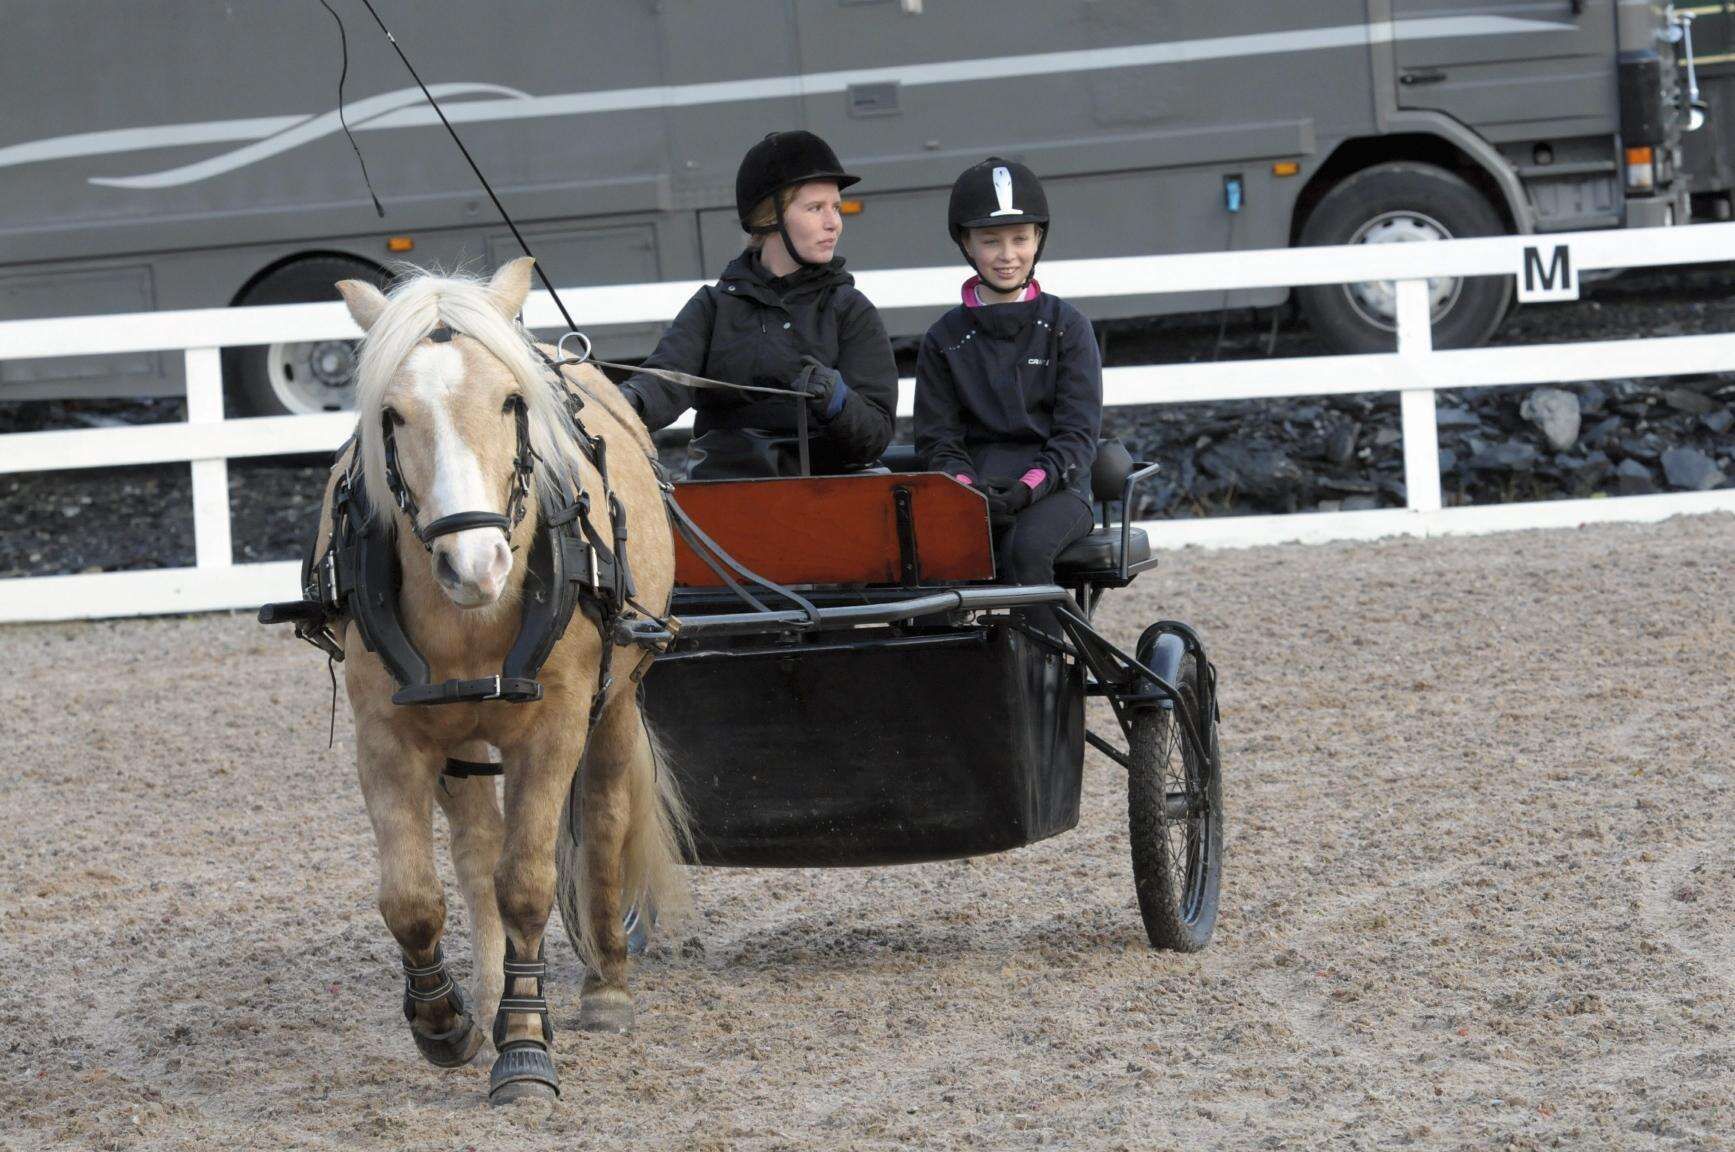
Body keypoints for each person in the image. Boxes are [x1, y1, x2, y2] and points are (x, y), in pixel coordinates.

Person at [618, 131, 898, 479]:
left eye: (836, 208)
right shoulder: (712, 306)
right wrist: (624, 402)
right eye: (815, 208)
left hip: (825, 499)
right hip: (726, 494)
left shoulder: (851, 310)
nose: (834, 223)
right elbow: (665, 381)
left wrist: (838, 400)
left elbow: (875, 437)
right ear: (770, 216)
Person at [914, 157, 1102, 614]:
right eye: (991, 240)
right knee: (924, 559)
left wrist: (1027, 488)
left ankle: (1047, 678)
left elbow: (1076, 436)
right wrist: (969, 490)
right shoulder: (944, 338)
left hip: (1057, 489)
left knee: (1025, 552)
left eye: (1020, 238)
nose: (1007, 254)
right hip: (974, 492)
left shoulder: (1066, 327)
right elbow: (938, 439)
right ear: (967, 243)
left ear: (1038, 239)